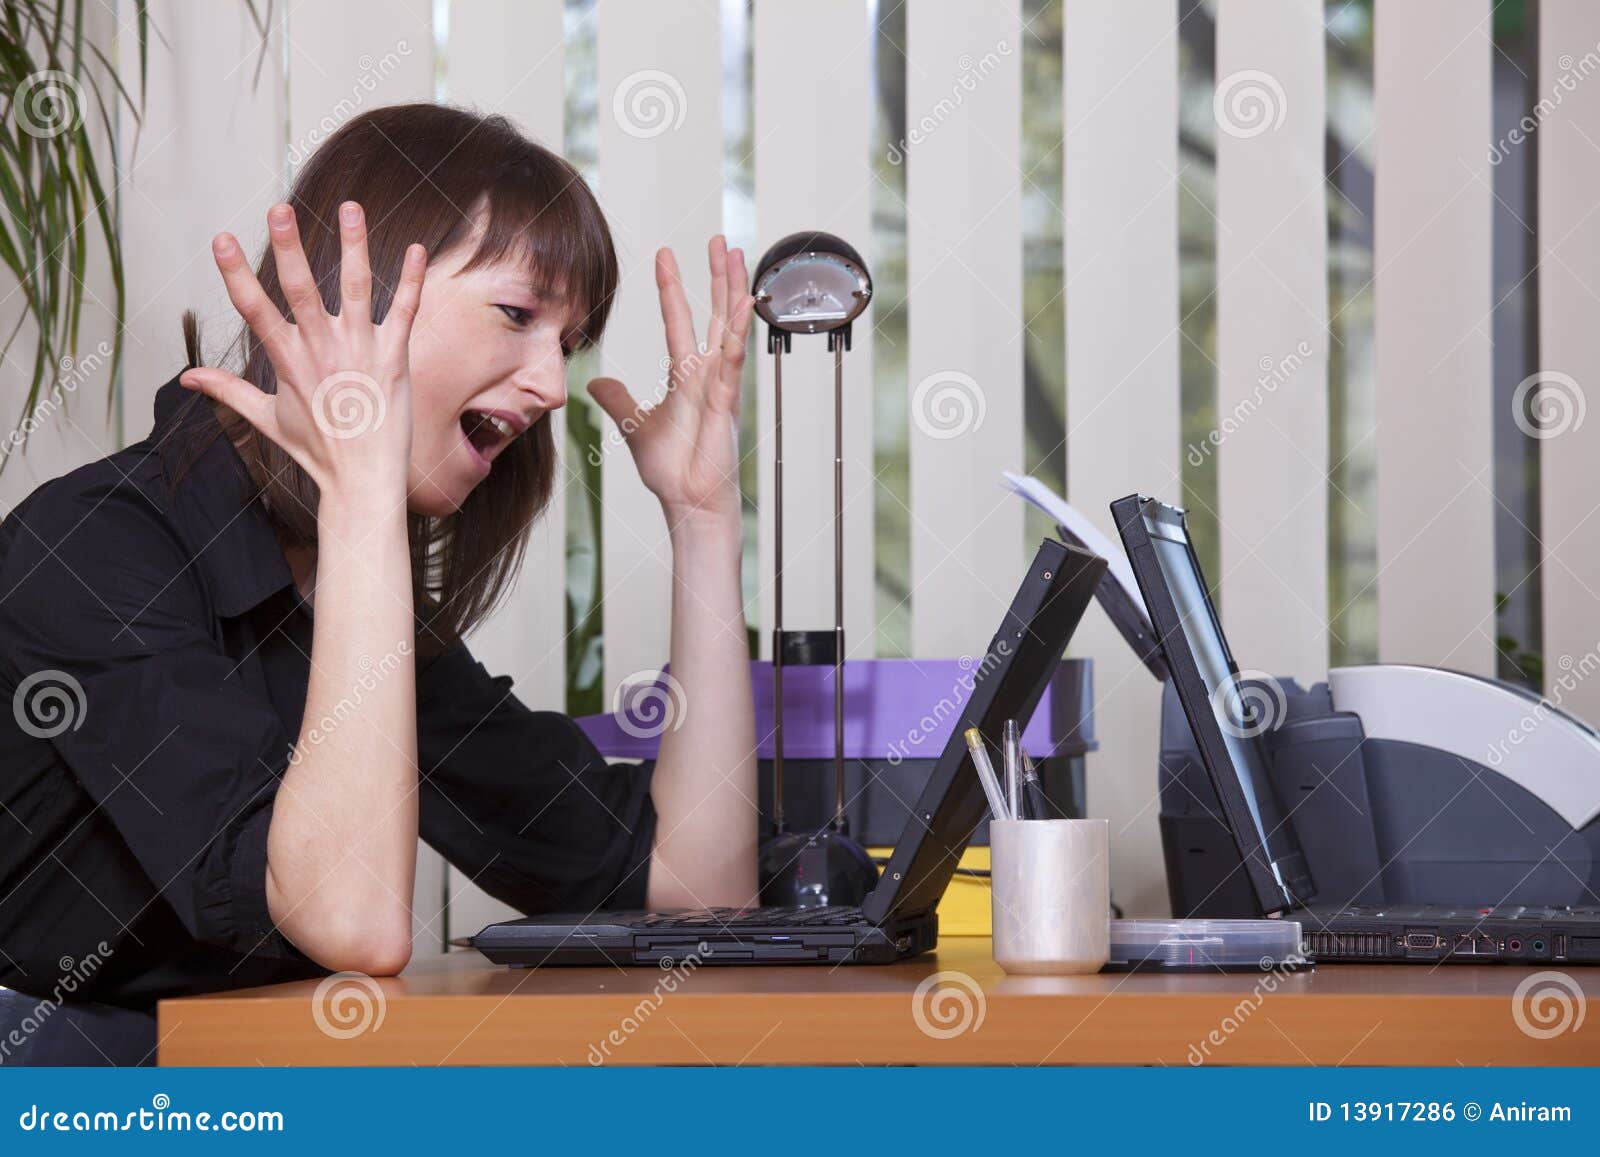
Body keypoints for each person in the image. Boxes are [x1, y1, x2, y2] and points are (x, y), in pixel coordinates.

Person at [0, 102, 758, 1014]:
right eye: (517, 314)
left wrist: (704, 518)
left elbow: (695, 886)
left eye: (567, 344)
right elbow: (352, 921)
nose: (553, 386)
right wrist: (359, 490)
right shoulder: (93, 547)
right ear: (346, 299)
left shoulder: (348, 588)